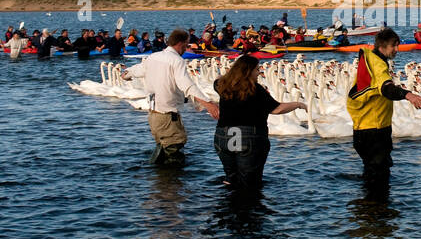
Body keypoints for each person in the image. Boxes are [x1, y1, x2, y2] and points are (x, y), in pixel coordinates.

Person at [122, 28, 220, 166]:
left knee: (164, 151)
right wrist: (209, 104)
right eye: (186, 45)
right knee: (174, 153)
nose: (186, 48)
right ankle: (170, 185)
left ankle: (158, 183)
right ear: (180, 43)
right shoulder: (177, 61)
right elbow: (188, 85)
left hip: (154, 116)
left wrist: (125, 74)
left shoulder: (153, 57)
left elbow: (135, 70)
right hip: (167, 115)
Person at [346, 29, 421, 194]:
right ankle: (378, 214)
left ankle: (368, 212)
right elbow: (386, 89)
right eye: (393, 46)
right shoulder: (377, 64)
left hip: (365, 128)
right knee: (379, 176)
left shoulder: (371, 59)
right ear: (382, 46)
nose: (397, 49)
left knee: (372, 173)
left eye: (397, 45)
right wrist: (407, 94)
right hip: (374, 130)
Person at [212, 53, 306, 192]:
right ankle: (249, 210)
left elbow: (217, 80)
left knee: (231, 178)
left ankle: (228, 208)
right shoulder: (256, 90)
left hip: (223, 136)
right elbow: (277, 109)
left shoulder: (222, 86)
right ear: (248, 72)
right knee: (249, 182)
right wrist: (298, 104)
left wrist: (230, 75)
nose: (259, 72)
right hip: (249, 136)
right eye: (257, 69)